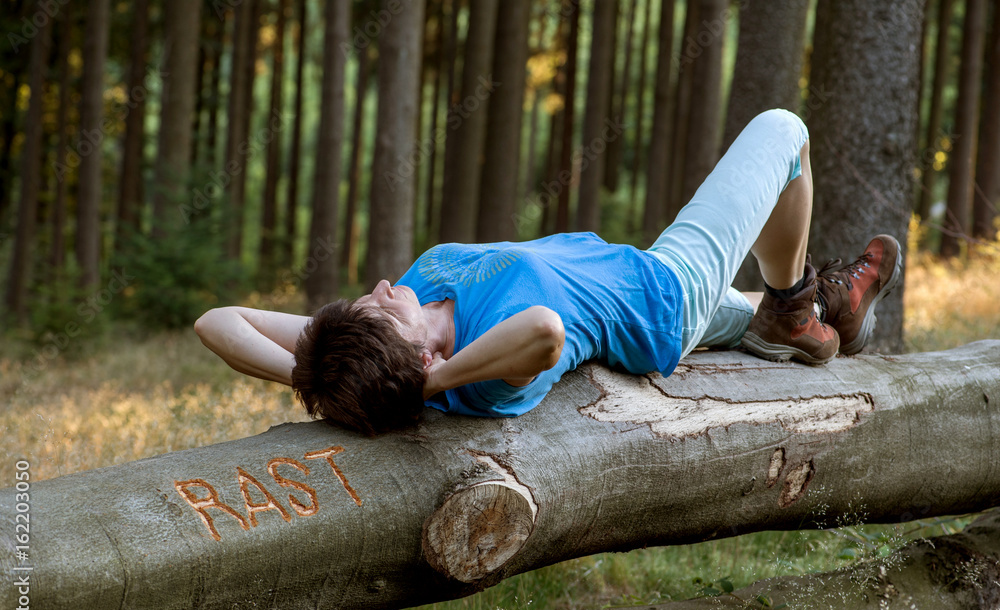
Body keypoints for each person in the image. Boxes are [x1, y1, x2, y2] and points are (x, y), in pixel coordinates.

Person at [194, 110, 901, 436]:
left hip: (627, 275)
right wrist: (429, 384)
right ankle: (792, 304)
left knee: (746, 313)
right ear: (421, 358)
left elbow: (216, 321)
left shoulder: (388, 317)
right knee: (784, 133)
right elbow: (546, 328)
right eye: (381, 310)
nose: (379, 289)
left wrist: (311, 373)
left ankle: (814, 317)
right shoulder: (489, 375)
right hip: (662, 296)